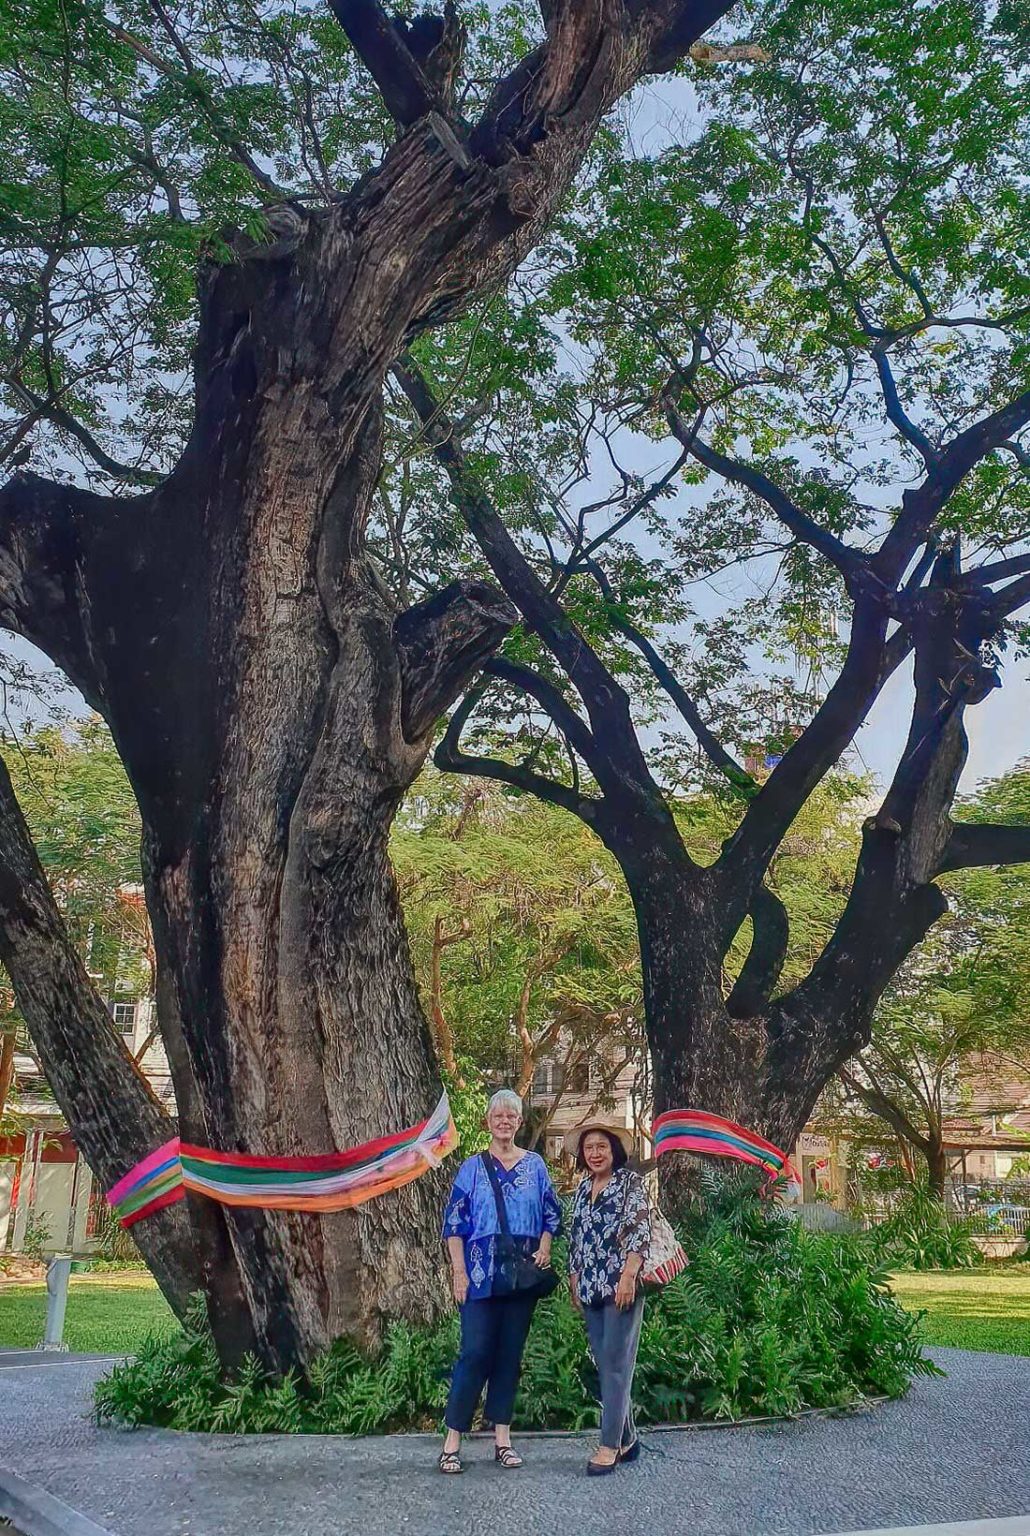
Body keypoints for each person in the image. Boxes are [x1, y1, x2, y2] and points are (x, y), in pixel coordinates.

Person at [438, 1088, 561, 1474]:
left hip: (520, 1277)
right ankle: (452, 1440)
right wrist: (458, 1273)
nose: (504, 1121)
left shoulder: (536, 1165)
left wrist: (545, 1247)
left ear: (520, 1123)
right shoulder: (471, 1168)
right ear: (487, 1122)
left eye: (511, 1116)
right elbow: (454, 1225)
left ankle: (502, 1439)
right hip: (478, 1275)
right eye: (498, 1116)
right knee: (473, 1353)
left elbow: (550, 1214)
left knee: (509, 1355)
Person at [567, 1117, 651, 1476]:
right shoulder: (584, 1189)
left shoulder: (630, 1184)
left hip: (620, 1286)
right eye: (589, 1148)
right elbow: (576, 1237)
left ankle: (609, 1446)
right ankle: (628, 1437)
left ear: (613, 1150)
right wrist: (573, 1278)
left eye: (602, 1146)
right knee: (606, 1365)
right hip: (590, 1287)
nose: (595, 1153)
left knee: (616, 1365)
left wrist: (629, 1275)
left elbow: (639, 1229)